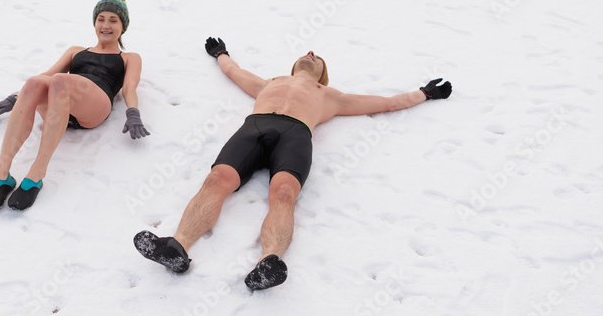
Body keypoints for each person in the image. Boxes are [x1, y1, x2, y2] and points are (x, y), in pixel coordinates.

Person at [133, 37, 452, 291]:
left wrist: (423, 93)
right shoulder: (269, 82)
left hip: (295, 135)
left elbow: (385, 103)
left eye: (318, 57)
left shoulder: (331, 95)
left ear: (322, 74)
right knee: (217, 179)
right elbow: (236, 73)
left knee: (284, 192)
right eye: (306, 52)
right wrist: (222, 54)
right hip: (254, 127)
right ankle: (176, 247)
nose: (310, 52)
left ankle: (268, 263)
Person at [0, 0, 148, 212]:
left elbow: (129, 87)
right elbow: (46, 76)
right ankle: (1, 175)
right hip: (59, 108)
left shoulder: (129, 57)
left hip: (93, 107)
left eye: (113, 20)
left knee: (60, 80)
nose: (106, 25)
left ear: (122, 26)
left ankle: (37, 173)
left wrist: (133, 112)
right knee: (35, 81)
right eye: (101, 19)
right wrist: (16, 98)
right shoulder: (76, 51)